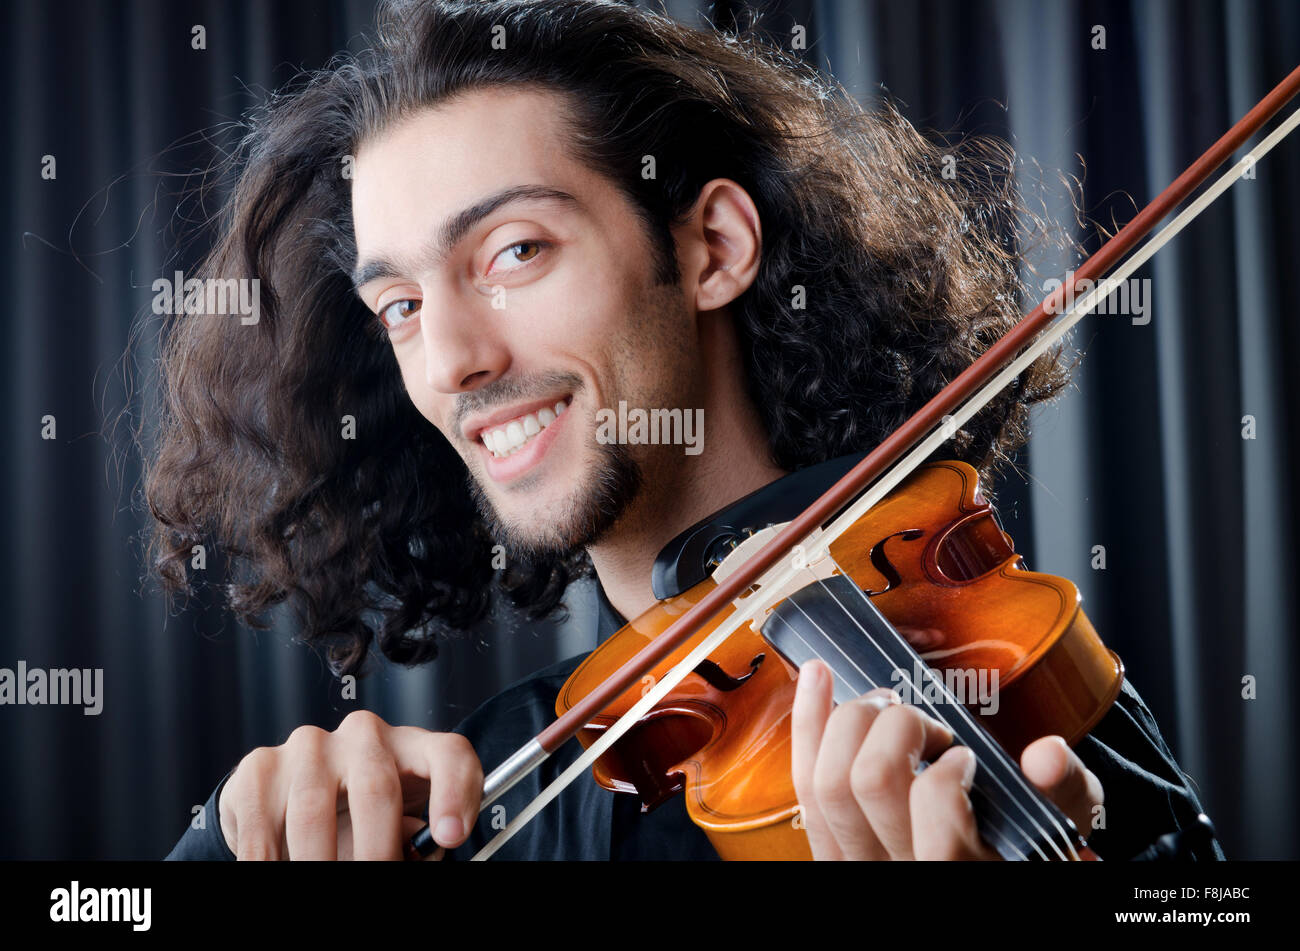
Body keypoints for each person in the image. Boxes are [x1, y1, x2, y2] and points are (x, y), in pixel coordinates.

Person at [155, 0, 1220, 861]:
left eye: (515, 253)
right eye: (401, 306)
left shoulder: (987, 679)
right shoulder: (480, 794)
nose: (451, 360)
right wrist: (221, 841)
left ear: (712, 246)